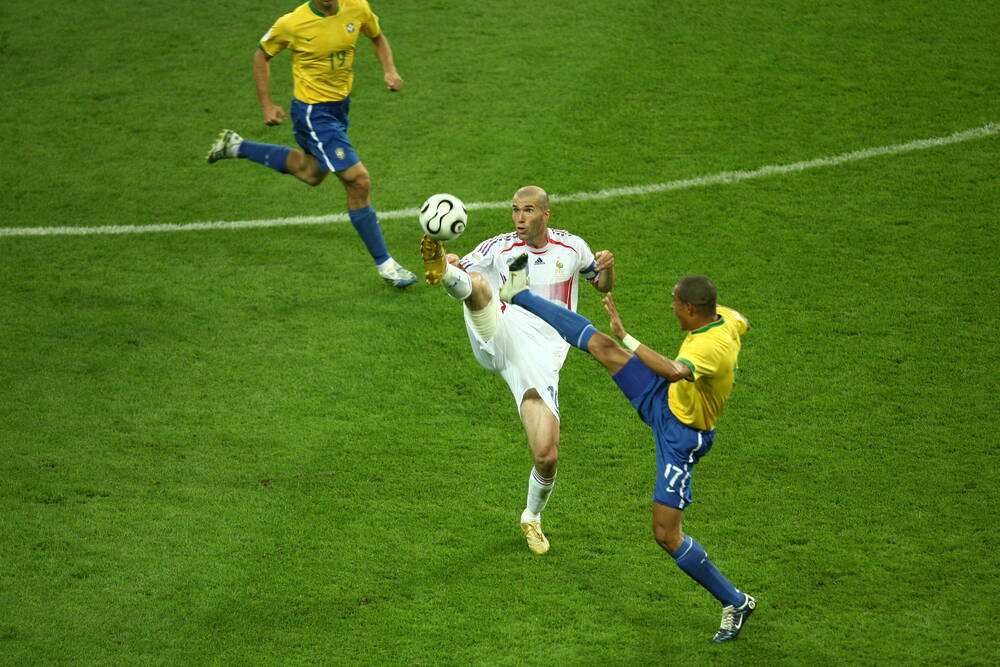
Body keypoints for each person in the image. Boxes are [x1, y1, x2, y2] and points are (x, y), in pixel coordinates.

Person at [499, 267, 757, 643]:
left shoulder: (708, 347)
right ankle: (520, 295)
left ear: (690, 309)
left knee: (666, 534)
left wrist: (628, 337)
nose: (670, 308)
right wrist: (618, 341)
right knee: (601, 347)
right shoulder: (727, 320)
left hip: (681, 437)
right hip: (665, 401)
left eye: (674, 303)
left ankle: (735, 602)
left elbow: (671, 370)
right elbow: (740, 322)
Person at [420, 185, 615, 554]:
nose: (519, 218)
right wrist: (451, 265)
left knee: (547, 454)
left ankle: (531, 517)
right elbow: (470, 267)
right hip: (501, 332)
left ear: (545, 214)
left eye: (527, 210)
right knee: (474, 284)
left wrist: (607, 269)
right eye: (514, 210)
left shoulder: (572, 248)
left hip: (540, 358)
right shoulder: (500, 247)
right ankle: (439, 270)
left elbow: (600, 283)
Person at [206, 0, 415, 288]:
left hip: (340, 108)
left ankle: (235, 146)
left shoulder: (357, 8)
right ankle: (386, 265)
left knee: (311, 173)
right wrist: (266, 105)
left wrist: (389, 69)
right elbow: (261, 55)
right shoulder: (292, 23)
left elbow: (376, 36)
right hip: (313, 113)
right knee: (359, 181)